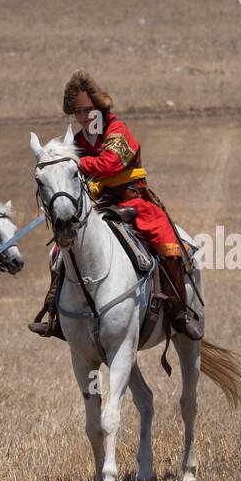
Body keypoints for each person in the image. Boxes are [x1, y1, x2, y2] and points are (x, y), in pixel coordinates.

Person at [29, 70, 202, 340]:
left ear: (100, 107)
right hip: (99, 205)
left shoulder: (117, 131)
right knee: (58, 254)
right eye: (78, 112)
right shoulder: (79, 141)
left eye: (88, 110)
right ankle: (56, 315)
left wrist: (73, 163)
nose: (84, 117)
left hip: (135, 201)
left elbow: (110, 164)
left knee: (169, 246)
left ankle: (180, 312)